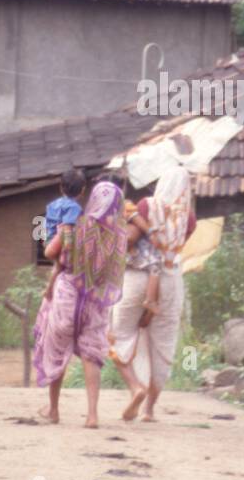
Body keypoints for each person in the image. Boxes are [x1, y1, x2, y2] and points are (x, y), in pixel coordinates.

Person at [32, 180, 126, 428]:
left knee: (57, 346)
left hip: (66, 294)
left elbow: (50, 253)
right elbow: (113, 273)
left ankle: (53, 409)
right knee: (91, 353)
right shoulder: (116, 237)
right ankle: (92, 415)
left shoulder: (72, 227)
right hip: (95, 300)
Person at [109, 167, 196, 422]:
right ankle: (149, 410)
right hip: (170, 280)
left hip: (138, 277)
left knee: (119, 334)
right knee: (163, 344)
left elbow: (129, 240)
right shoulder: (189, 217)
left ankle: (136, 387)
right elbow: (176, 249)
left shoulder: (146, 205)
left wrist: (126, 224)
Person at [43, 169, 86, 300]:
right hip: (59, 242)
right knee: (59, 267)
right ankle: (48, 290)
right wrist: (68, 245)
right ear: (83, 190)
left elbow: (47, 223)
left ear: (61, 187)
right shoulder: (74, 207)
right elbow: (67, 227)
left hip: (48, 239)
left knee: (56, 267)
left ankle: (49, 288)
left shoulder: (53, 204)